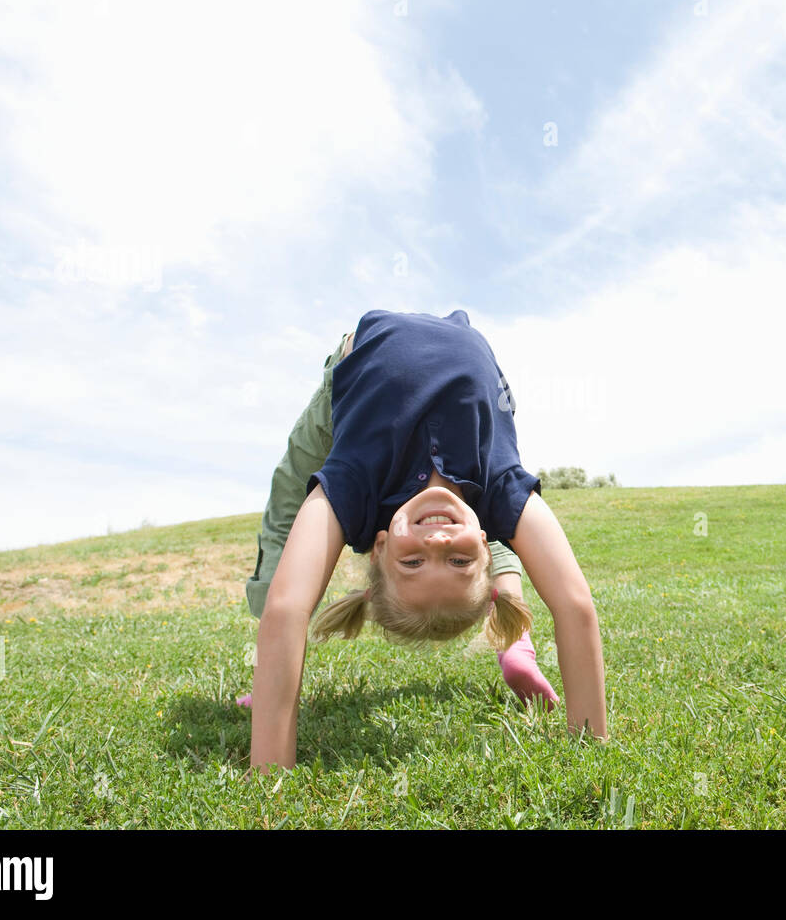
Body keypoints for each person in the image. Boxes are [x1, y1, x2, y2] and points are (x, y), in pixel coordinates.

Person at [247, 309, 608, 771]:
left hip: (355, 362)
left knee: (287, 506)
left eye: (413, 563)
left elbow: (286, 607)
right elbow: (575, 604)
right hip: (458, 331)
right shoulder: (496, 492)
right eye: (457, 560)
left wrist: (270, 775)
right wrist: (590, 755)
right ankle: (514, 641)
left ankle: (270, 671)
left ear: (379, 547)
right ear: (482, 540)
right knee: (495, 517)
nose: (437, 541)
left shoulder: (352, 487)